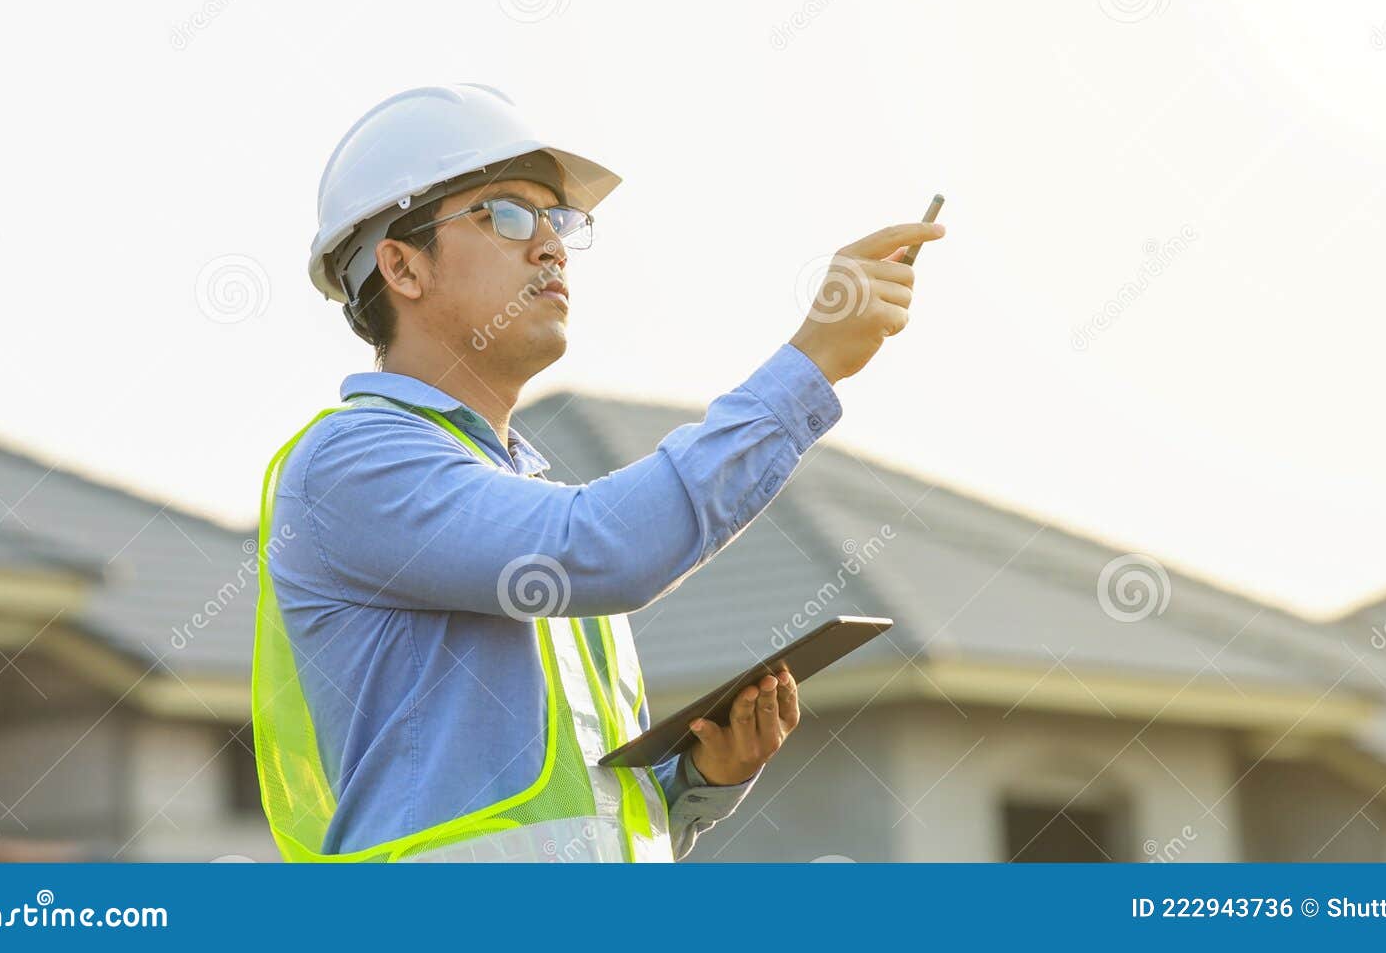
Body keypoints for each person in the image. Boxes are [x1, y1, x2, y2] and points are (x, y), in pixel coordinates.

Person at [251, 83, 943, 863]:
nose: (549, 245)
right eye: (508, 213)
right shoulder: (354, 462)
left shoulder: (526, 498)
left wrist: (695, 781)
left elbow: (565, 830)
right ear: (402, 268)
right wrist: (811, 363)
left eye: (559, 220)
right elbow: (602, 547)